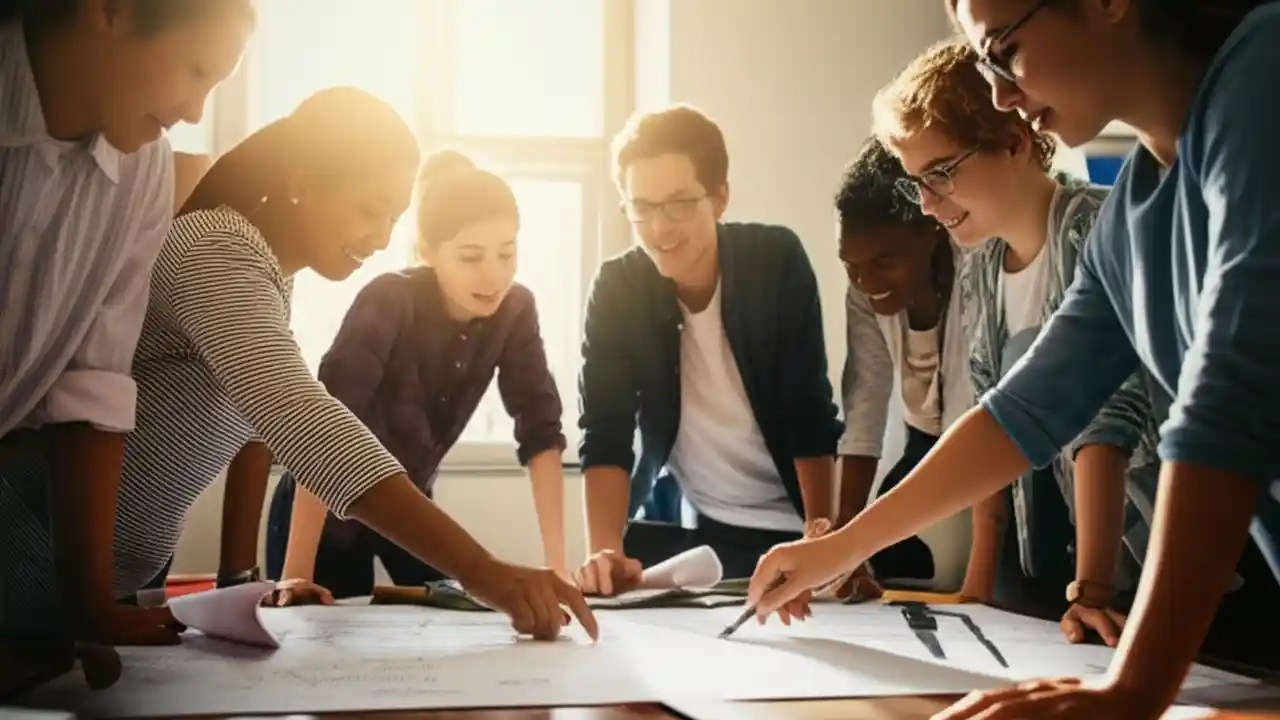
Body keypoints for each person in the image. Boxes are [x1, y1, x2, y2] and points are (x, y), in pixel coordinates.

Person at [748, 1, 1280, 717]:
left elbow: (1230, 397)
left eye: (1005, 50)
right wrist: (840, 547)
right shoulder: (1133, 213)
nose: (1001, 93)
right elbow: (1024, 412)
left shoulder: (1263, 66)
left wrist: (1132, 689)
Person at [3, 87, 598, 677]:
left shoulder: (265, 273)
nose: (383, 237)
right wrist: (482, 569)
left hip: (86, 578)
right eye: (369, 209)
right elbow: (301, 422)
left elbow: (253, 432)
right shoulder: (215, 250)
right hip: (27, 551)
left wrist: (239, 584)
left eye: (393, 216)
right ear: (300, 183)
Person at [0, 0, 254, 692]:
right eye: (194, 69)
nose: (196, 110)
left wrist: (88, 610)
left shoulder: (144, 175)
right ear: (106, 10)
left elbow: (91, 383)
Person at [872, 38, 1161, 645]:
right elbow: (994, 430)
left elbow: (1106, 424)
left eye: (941, 174)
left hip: (1143, 576)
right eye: (915, 184)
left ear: (1015, 142)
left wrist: (1093, 591)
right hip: (1048, 576)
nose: (927, 205)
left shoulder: (1095, 224)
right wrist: (979, 591)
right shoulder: (981, 262)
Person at [265, 151, 571, 599]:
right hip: (320, 516)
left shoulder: (516, 309)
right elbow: (321, 430)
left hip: (407, 508)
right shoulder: (388, 300)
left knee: (455, 614)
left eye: (507, 253)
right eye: (470, 257)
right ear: (429, 251)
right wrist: (295, 573)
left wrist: (558, 567)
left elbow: (541, 430)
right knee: (321, 643)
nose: (494, 275)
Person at [573, 104, 843, 594]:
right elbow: (605, 430)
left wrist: (820, 540)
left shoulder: (776, 261)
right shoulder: (618, 288)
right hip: (705, 534)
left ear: (720, 198)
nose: (659, 228)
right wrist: (605, 552)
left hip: (795, 525)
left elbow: (810, 413)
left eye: (678, 203)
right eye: (642, 207)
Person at [836, 137, 974, 590]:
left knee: (965, 559)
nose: (865, 280)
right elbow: (864, 411)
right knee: (892, 553)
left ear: (931, 229)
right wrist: (840, 547)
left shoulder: (978, 270)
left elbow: (978, 415)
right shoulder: (863, 296)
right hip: (926, 442)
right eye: (851, 264)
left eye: (884, 261)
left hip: (986, 444)